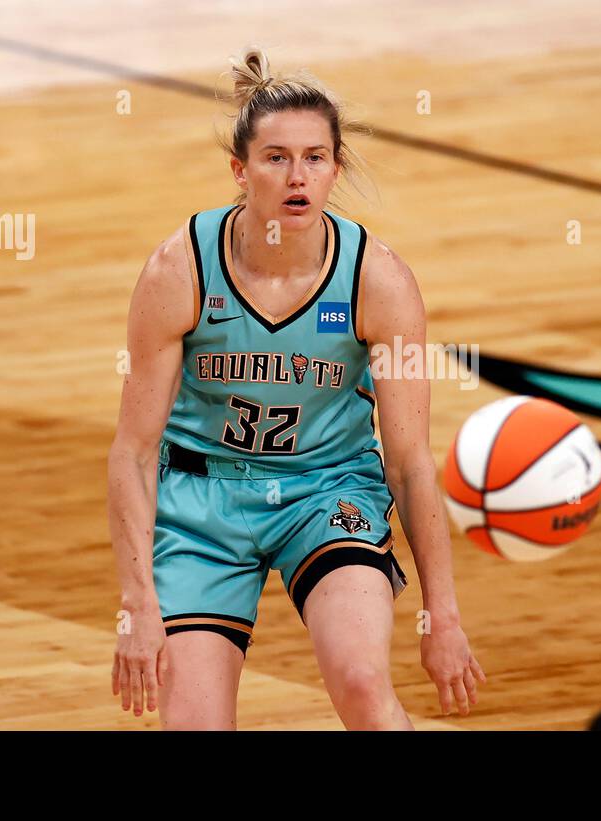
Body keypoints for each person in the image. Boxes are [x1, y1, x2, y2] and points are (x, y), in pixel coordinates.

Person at [108, 45, 484, 729]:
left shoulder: (379, 281)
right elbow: (133, 452)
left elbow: (407, 462)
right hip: (202, 502)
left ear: (336, 168)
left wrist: (444, 617)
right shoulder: (180, 270)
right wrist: (137, 605)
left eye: (315, 156)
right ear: (240, 169)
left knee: (365, 684)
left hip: (326, 488)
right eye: (275, 157)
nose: (297, 176)